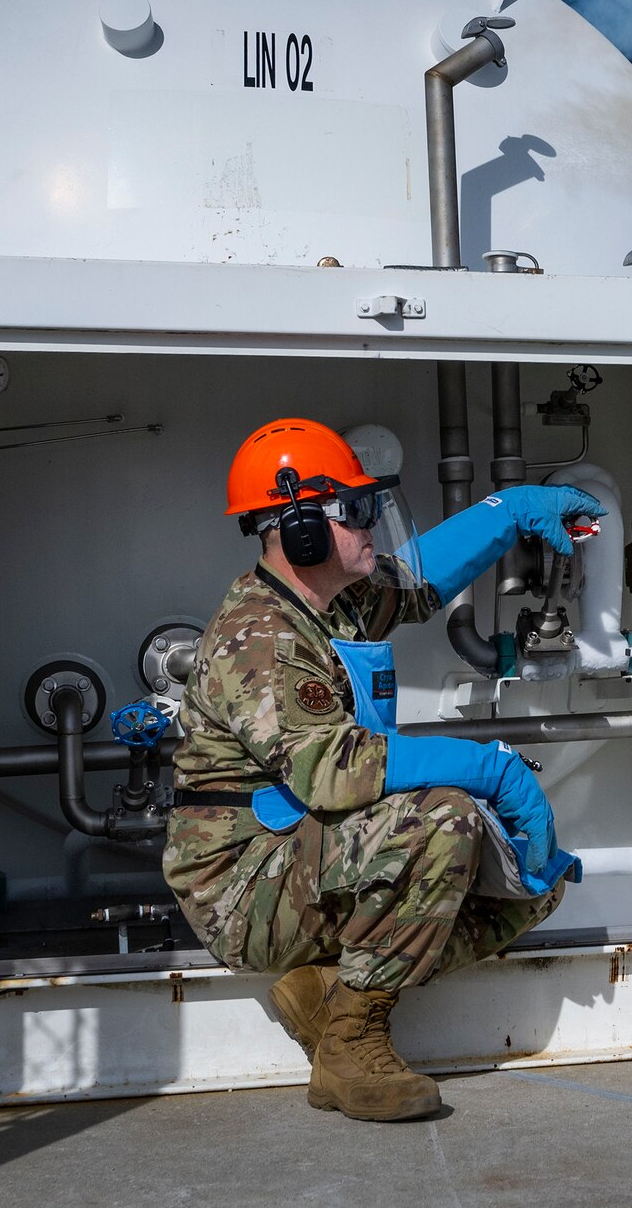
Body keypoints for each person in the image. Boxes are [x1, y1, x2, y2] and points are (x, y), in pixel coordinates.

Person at [164, 417, 605, 1122]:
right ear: (301, 529)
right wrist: (491, 770)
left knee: (530, 883)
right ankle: (352, 1039)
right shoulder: (263, 637)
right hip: (242, 883)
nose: (373, 526)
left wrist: (512, 509)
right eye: (358, 511)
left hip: (300, 851)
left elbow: (420, 584)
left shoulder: (329, 605)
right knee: (447, 819)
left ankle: (328, 991)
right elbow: (332, 770)